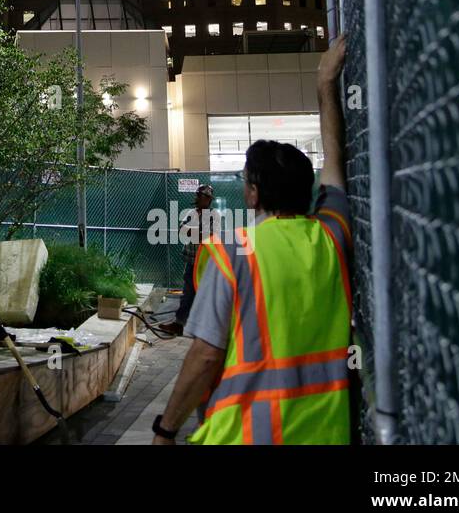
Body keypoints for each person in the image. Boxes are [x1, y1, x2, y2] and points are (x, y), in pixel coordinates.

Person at [152, 36, 354, 445]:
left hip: (244, 433)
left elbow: (206, 355)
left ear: (254, 193)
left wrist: (165, 428)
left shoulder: (233, 254)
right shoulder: (332, 237)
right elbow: (335, 163)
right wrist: (324, 85)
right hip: (327, 434)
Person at [159, 184, 214, 336]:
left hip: (204, 263)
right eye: (198, 195)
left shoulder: (213, 215)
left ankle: (204, 329)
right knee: (188, 293)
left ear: (208, 199)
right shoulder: (191, 213)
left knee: (203, 294)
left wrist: (194, 231)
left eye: (201, 196)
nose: (197, 198)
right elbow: (182, 230)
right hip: (191, 261)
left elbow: (209, 235)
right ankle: (179, 324)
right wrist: (198, 231)